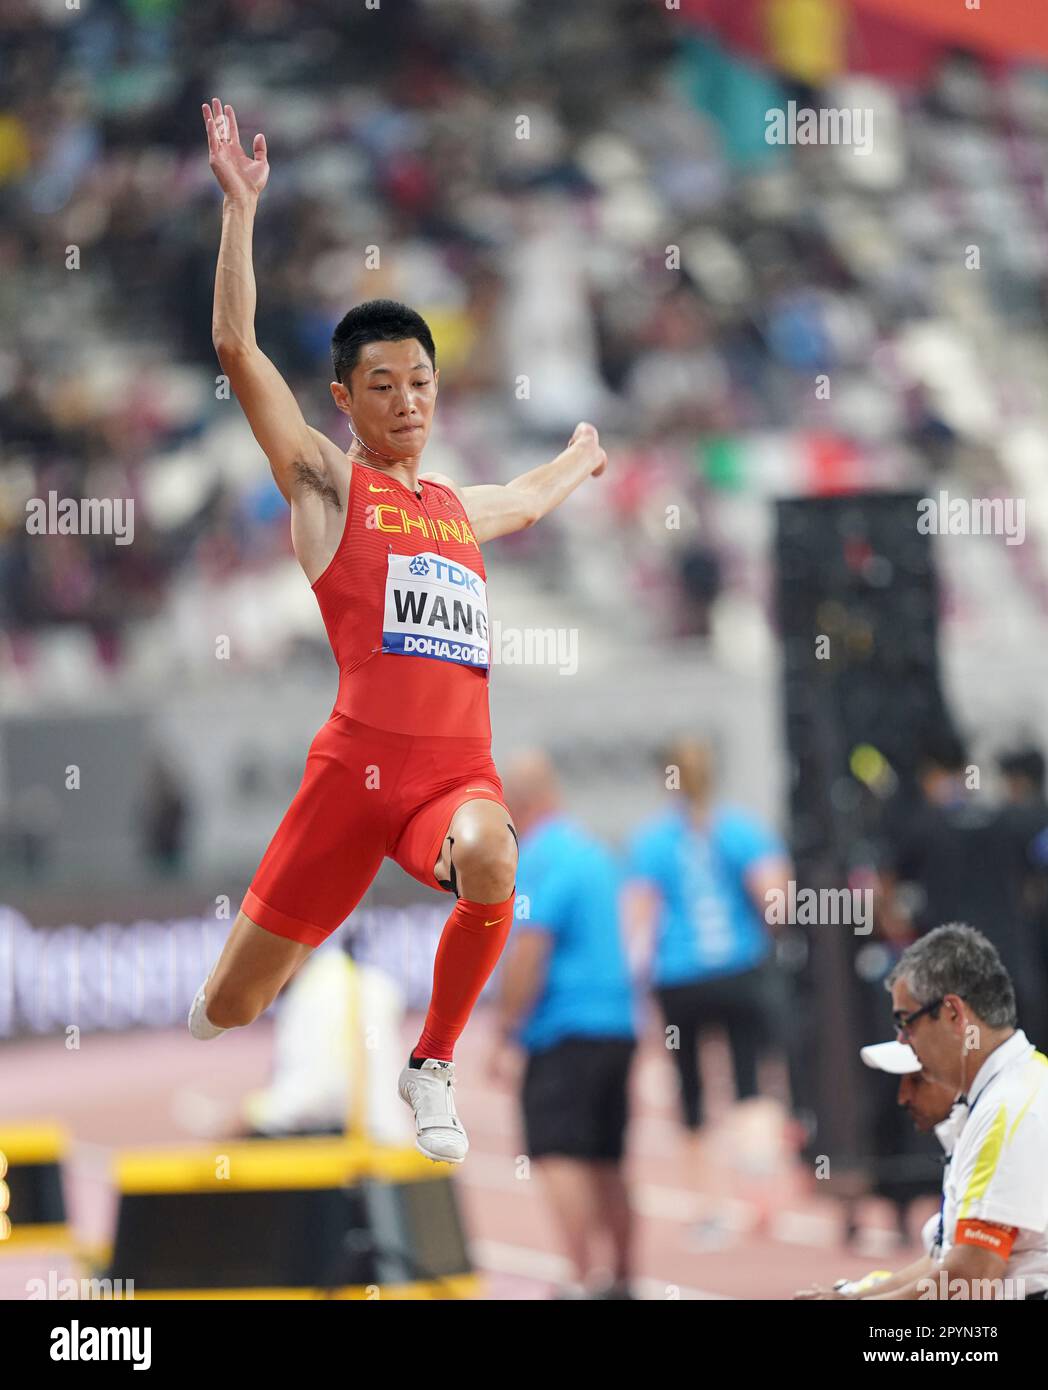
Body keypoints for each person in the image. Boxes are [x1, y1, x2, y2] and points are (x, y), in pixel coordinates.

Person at [186, 98, 607, 1166]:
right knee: (234, 1003)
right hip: (348, 775)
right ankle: (241, 1006)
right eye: (384, 386)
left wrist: (578, 457)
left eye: (421, 382)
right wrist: (240, 209)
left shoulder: (456, 508)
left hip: (452, 782)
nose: (409, 401)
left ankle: (432, 1063)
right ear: (346, 399)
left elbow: (521, 495)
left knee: (491, 854)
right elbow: (235, 347)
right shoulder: (329, 488)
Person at [801, 924, 1048, 1299]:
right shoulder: (1004, 1093)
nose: (902, 1039)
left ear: (952, 1013)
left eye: (906, 1022)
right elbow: (948, 1259)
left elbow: (970, 1276)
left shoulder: (1009, 1107)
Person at [625, 736, 793, 1243]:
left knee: (692, 1091)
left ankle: (709, 1209)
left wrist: (638, 990)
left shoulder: (651, 841)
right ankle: (761, 1196)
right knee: (749, 1083)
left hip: (680, 980)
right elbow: (776, 901)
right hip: (740, 971)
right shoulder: (742, 829)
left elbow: (638, 922)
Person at [495, 751, 638, 1299]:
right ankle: (622, 1276)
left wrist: (508, 1027)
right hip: (616, 1023)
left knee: (559, 1154)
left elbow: (530, 946)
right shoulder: (595, 851)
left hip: (564, 1027)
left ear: (516, 802)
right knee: (608, 1158)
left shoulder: (538, 855)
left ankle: (580, 1278)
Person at [794, 1039, 958, 1299]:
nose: (903, 1096)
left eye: (915, 1081)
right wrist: (851, 1294)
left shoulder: (992, 1130)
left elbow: (965, 1273)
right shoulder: (960, 1133)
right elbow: (942, 1265)